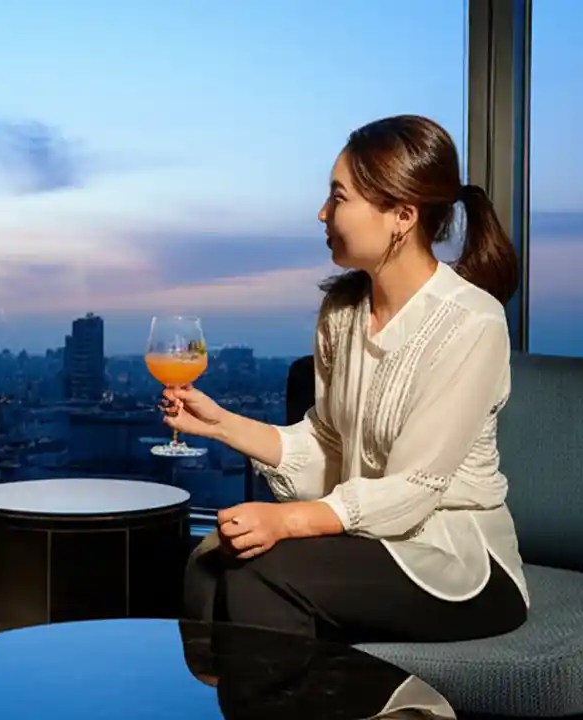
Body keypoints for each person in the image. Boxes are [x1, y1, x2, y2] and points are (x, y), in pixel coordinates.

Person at [172, 114, 528, 643]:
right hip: (369, 542)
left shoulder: (471, 322)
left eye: (338, 197)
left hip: (457, 561)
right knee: (210, 563)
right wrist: (222, 424)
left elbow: (412, 488)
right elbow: (330, 448)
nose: (322, 212)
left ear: (402, 215)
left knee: (261, 576)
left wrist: (286, 522)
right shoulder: (342, 312)